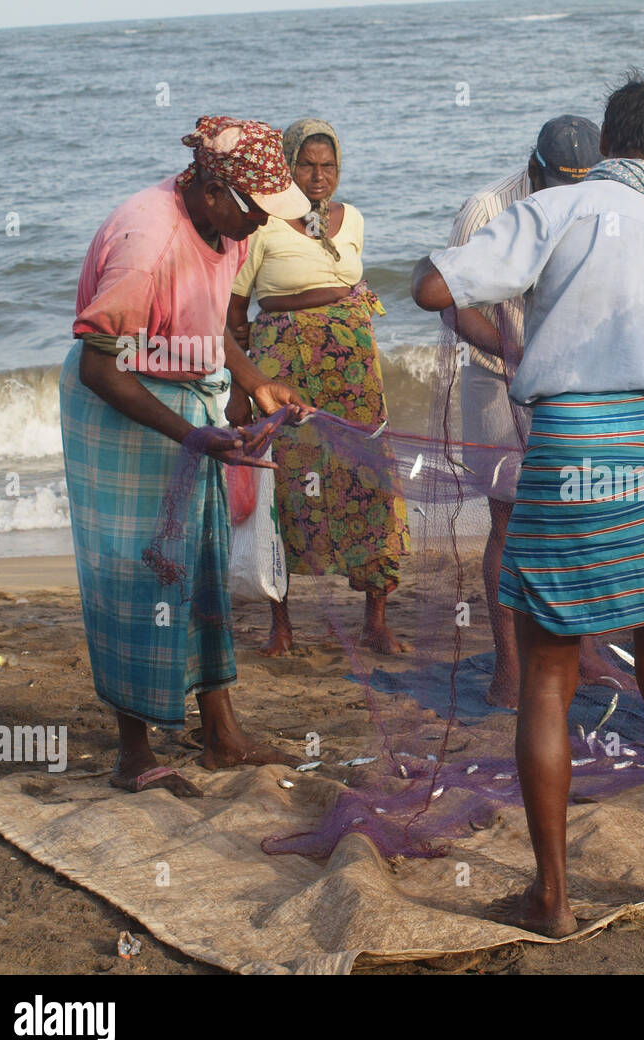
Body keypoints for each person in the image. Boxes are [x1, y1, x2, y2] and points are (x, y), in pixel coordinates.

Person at [412, 71, 644, 937]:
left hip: (571, 448)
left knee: (547, 682)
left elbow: (435, 290)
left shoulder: (561, 210)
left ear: (609, 141)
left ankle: (552, 898)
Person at [62, 116, 310, 796]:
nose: (260, 225)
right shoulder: (149, 239)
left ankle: (220, 731)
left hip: (184, 395)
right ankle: (133, 751)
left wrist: (255, 384)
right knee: (135, 569)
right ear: (209, 185)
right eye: (254, 208)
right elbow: (98, 366)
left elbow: (205, 322)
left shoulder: (226, 226)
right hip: (122, 405)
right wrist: (189, 434)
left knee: (201, 560)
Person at [440, 114, 611, 707]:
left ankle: (583, 650)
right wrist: (513, 349)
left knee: (577, 516)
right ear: (535, 167)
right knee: (510, 525)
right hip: (496, 382)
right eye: (559, 182)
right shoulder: (487, 210)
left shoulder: (604, 201)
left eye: (581, 183)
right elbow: (453, 304)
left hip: (572, 385)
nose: (571, 195)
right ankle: (509, 667)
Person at [227, 119, 411, 657]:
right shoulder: (263, 225)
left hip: (352, 370)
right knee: (284, 486)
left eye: (327, 165)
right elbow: (236, 310)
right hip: (286, 370)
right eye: (306, 164)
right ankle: (281, 625)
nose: (317, 175)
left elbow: (353, 282)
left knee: (368, 478)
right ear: (287, 166)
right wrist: (244, 384)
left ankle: (375, 619)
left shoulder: (351, 219)